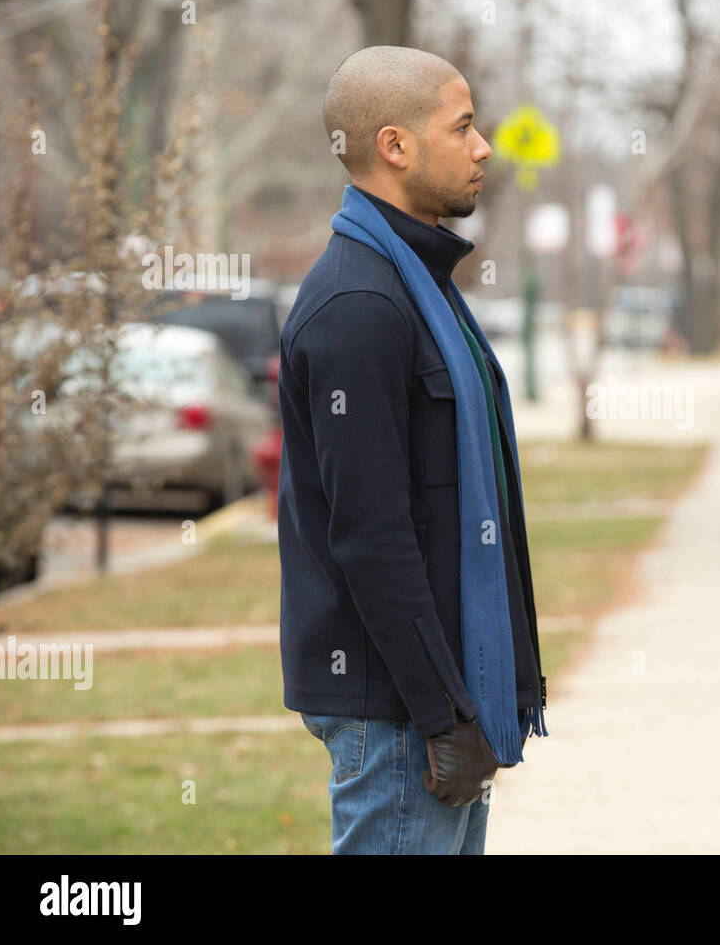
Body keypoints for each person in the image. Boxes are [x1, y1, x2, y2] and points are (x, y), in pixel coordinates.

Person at [277, 46, 546, 855]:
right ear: (395, 146)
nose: (483, 147)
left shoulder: (417, 284)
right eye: (462, 127)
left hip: (434, 700)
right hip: (399, 716)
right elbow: (372, 535)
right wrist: (444, 715)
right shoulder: (361, 303)